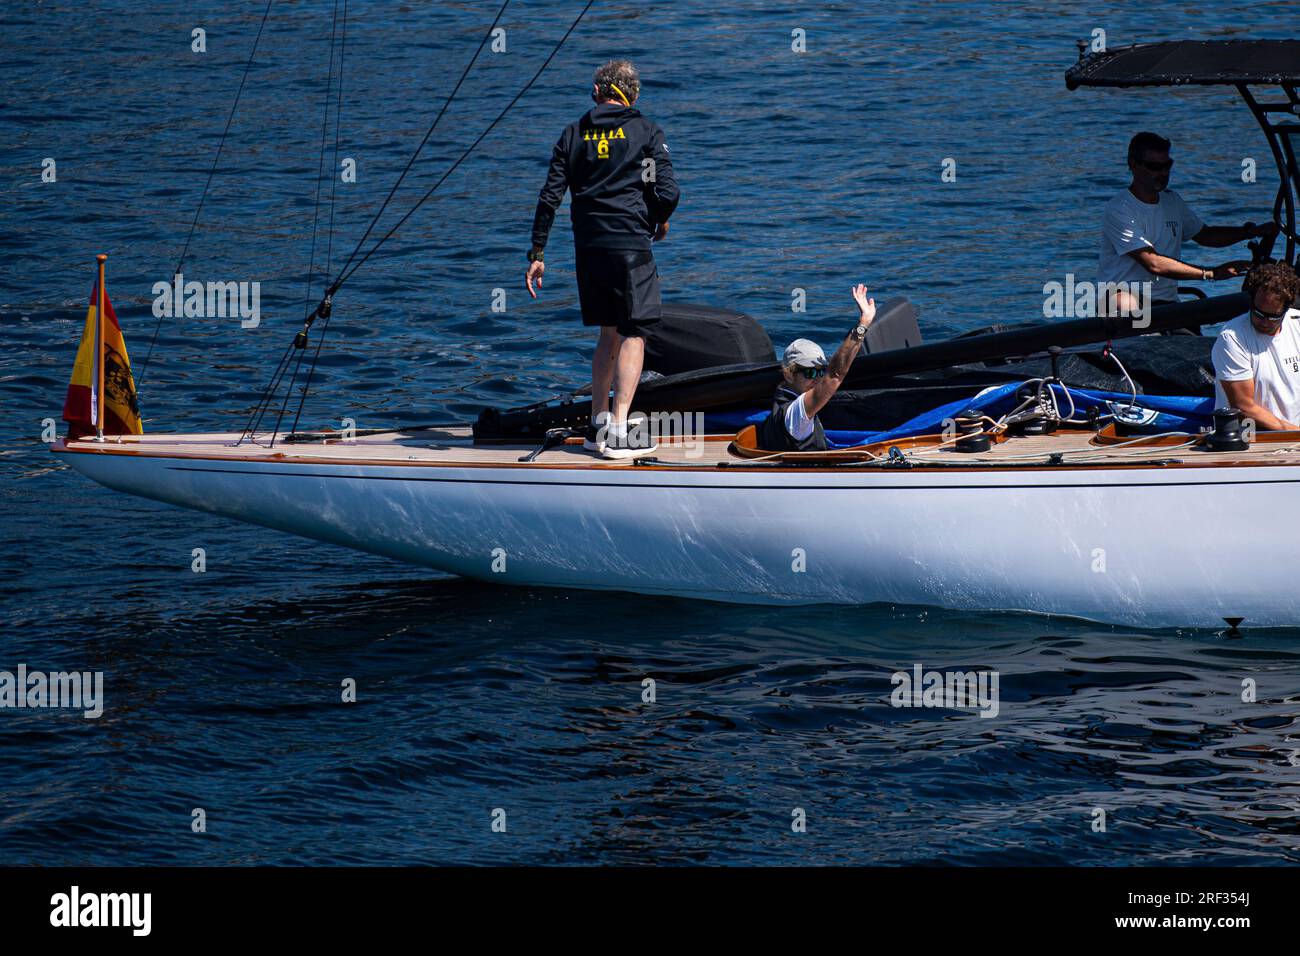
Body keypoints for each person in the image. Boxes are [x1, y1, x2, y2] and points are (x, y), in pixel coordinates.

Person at [525, 59, 679, 459]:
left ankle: (597, 424)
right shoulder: (644, 131)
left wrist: (538, 252)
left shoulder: (574, 134)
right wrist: (658, 218)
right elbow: (664, 189)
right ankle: (618, 430)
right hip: (630, 246)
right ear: (632, 94)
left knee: (608, 332)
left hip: (588, 249)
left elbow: (549, 197)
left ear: (598, 91)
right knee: (635, 332)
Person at [1098, 131, 1275, 317]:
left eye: (1167, 165)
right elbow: (1153, 263)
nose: (1163, 173)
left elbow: (1205, 235)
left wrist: (1249, 232)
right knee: (1125, 302)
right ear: (1133, 165)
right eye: (1155, 167)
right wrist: (1211, 273)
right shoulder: (1119, 209)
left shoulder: (1172, 201)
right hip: (1124, 302)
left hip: (1167, 302)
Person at [757, 284, 877, 452]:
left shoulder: (790, 405)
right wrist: (862, 325)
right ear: (789, 375)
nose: (818, 378)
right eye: (810, 372)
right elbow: (835, 375)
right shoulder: (794, 415)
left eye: (821, 371)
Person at [1212, 261, 1300, 431]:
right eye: (1258, 313)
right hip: (1251, 437)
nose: (1265, 322)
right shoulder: (1232, 338)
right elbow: (1244, 407)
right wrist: (1295, 433)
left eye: (1273, 316)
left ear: (1287, 308)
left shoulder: (1297, 324)